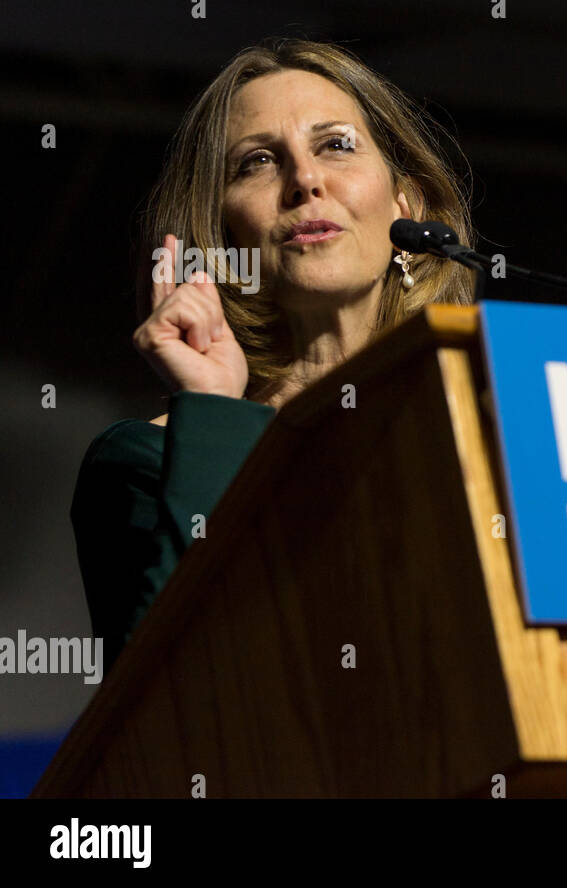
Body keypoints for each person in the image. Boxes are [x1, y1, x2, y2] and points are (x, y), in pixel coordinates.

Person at [70, 37, 476, 673]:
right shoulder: (150, 461)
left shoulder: (489, 431)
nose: (305, 181)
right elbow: (175, 698)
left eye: (336, 144)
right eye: (257, 162)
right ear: (223, 232)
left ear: (408, 206)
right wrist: (209, 408)